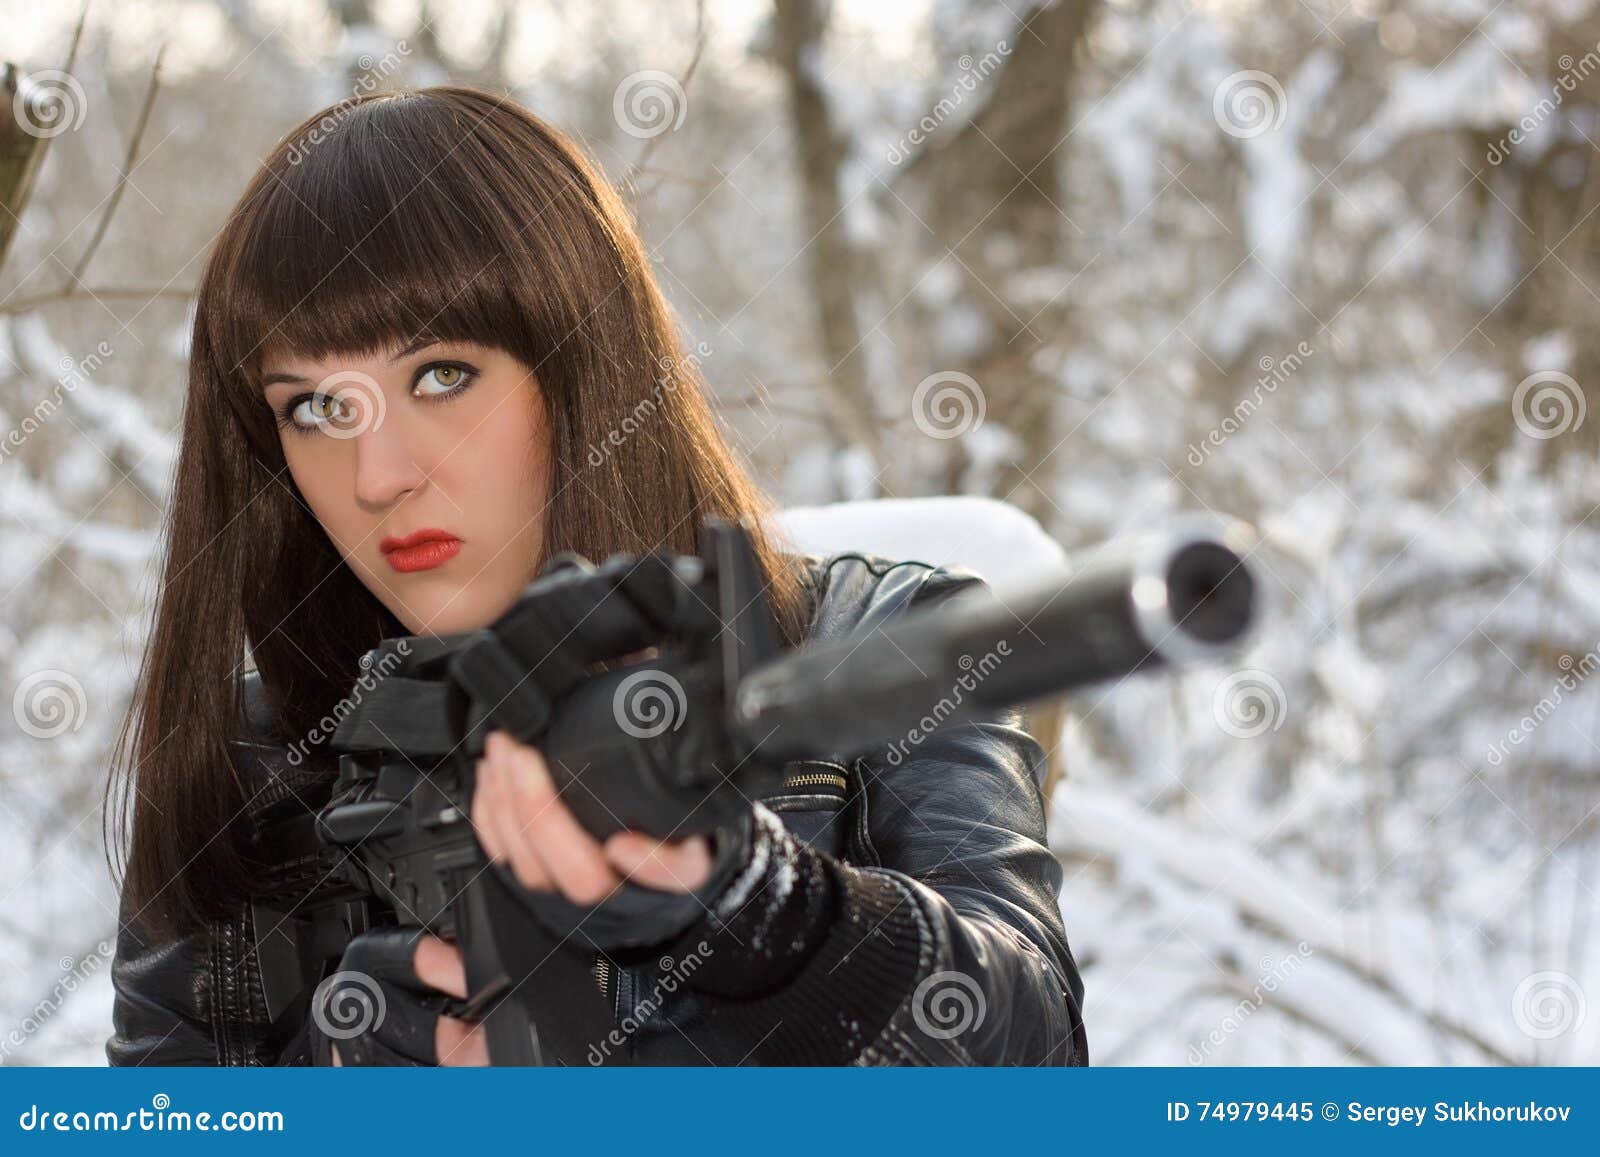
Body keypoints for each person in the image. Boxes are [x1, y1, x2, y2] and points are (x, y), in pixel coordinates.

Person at [103, 85, 1088, 1067]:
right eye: (316, 407)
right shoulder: (250, 758)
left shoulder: (879, 640)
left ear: (587, 367)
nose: (379, 475)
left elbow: (1032, 1048)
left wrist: (768, 913)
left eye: (442, 376)